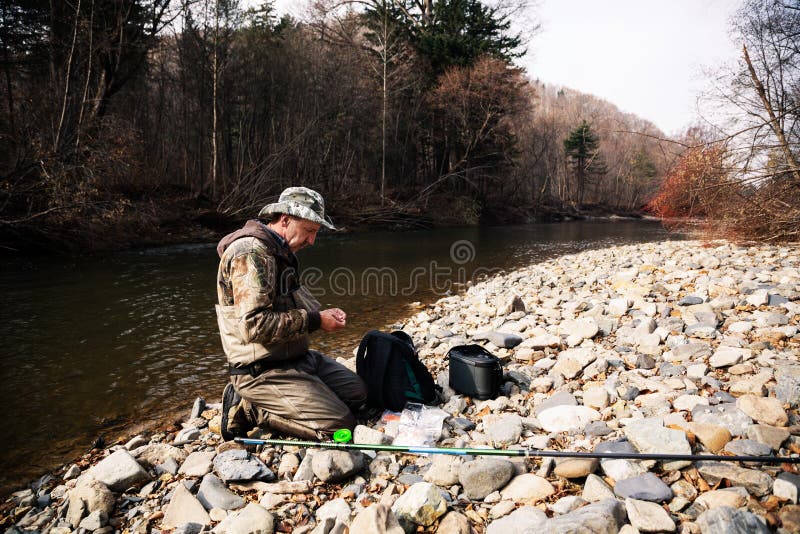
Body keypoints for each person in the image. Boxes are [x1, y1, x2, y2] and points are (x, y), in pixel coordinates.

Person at [215, 186, 366, 441]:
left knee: (359, 394)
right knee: (340, 426)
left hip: (297, 357)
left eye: (315, 233)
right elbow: (254, 325)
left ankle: (293, 397)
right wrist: (317, 320)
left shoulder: (282, 251)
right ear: (285, 220)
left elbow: (292, 306)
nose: (311, 241)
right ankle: (250, 409)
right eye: (309, 231)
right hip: (262, 370)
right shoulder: (251, 253)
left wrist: (324, 314)